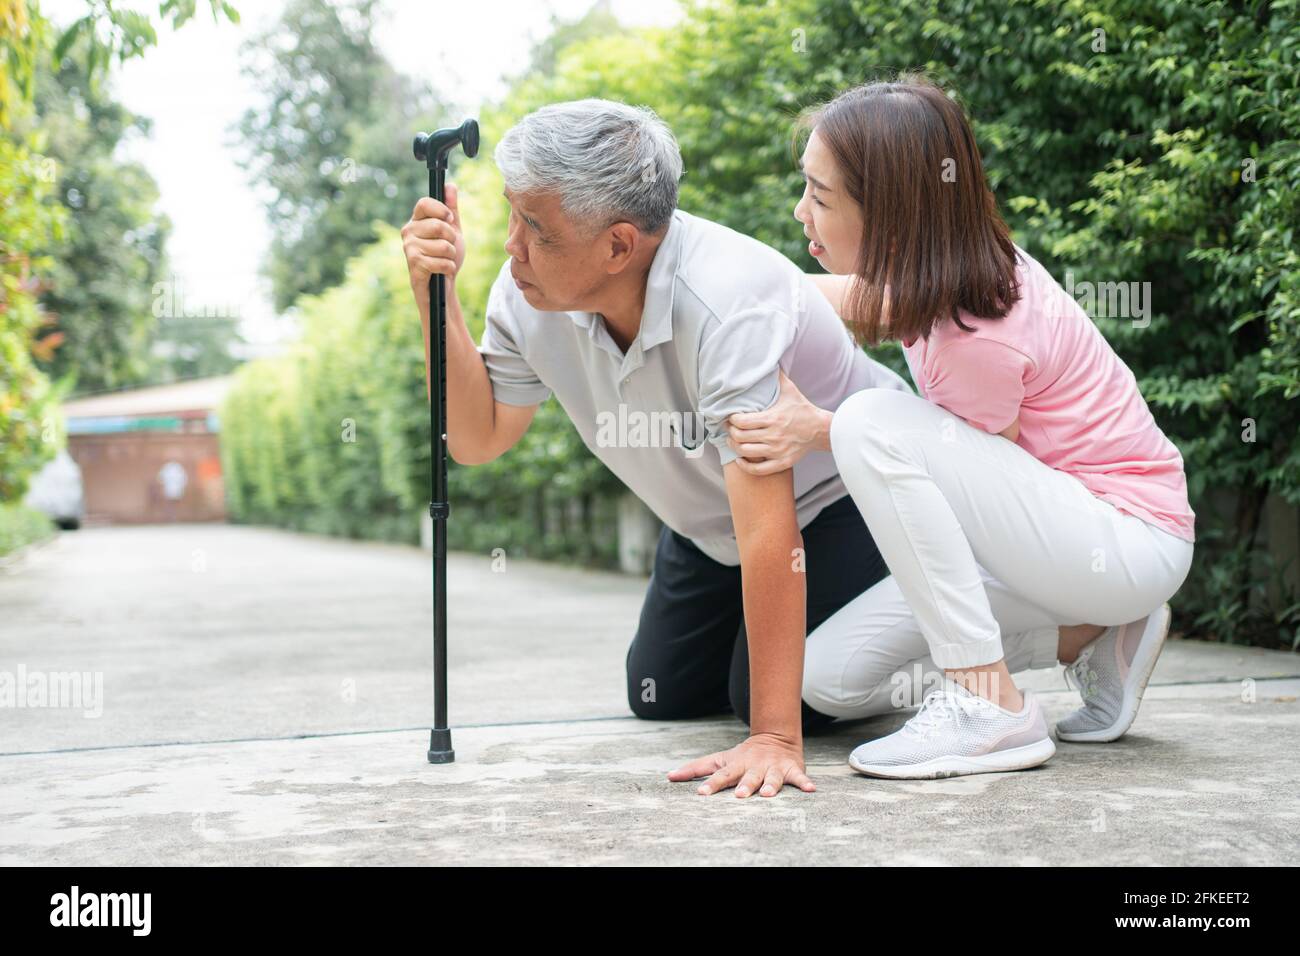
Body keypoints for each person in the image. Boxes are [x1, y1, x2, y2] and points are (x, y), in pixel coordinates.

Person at [400, 99, 914, 798]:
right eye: (512, 216)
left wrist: (772, 738)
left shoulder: (726, 300)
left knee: (766, 698)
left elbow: (770, 527)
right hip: (709, 525)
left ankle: (942, 615)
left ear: (617, 246)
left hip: (848, 500)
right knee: (660, 694)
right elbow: (477, 436)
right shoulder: (528, 294)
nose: (512, 245)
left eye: (537, 228)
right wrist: (437, 298)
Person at [724, 74, 1196, 779]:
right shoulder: (945, 272)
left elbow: (959, 468)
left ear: (890, 216)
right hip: (1052, 539)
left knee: (870, 420)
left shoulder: (978, 330)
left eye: (820, 198)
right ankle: (1086, 635)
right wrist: (722, 290)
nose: (800, 213)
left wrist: (818, 428)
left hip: (1125, 535)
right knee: (824, 680)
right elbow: (831, 299)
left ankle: (989, 705)